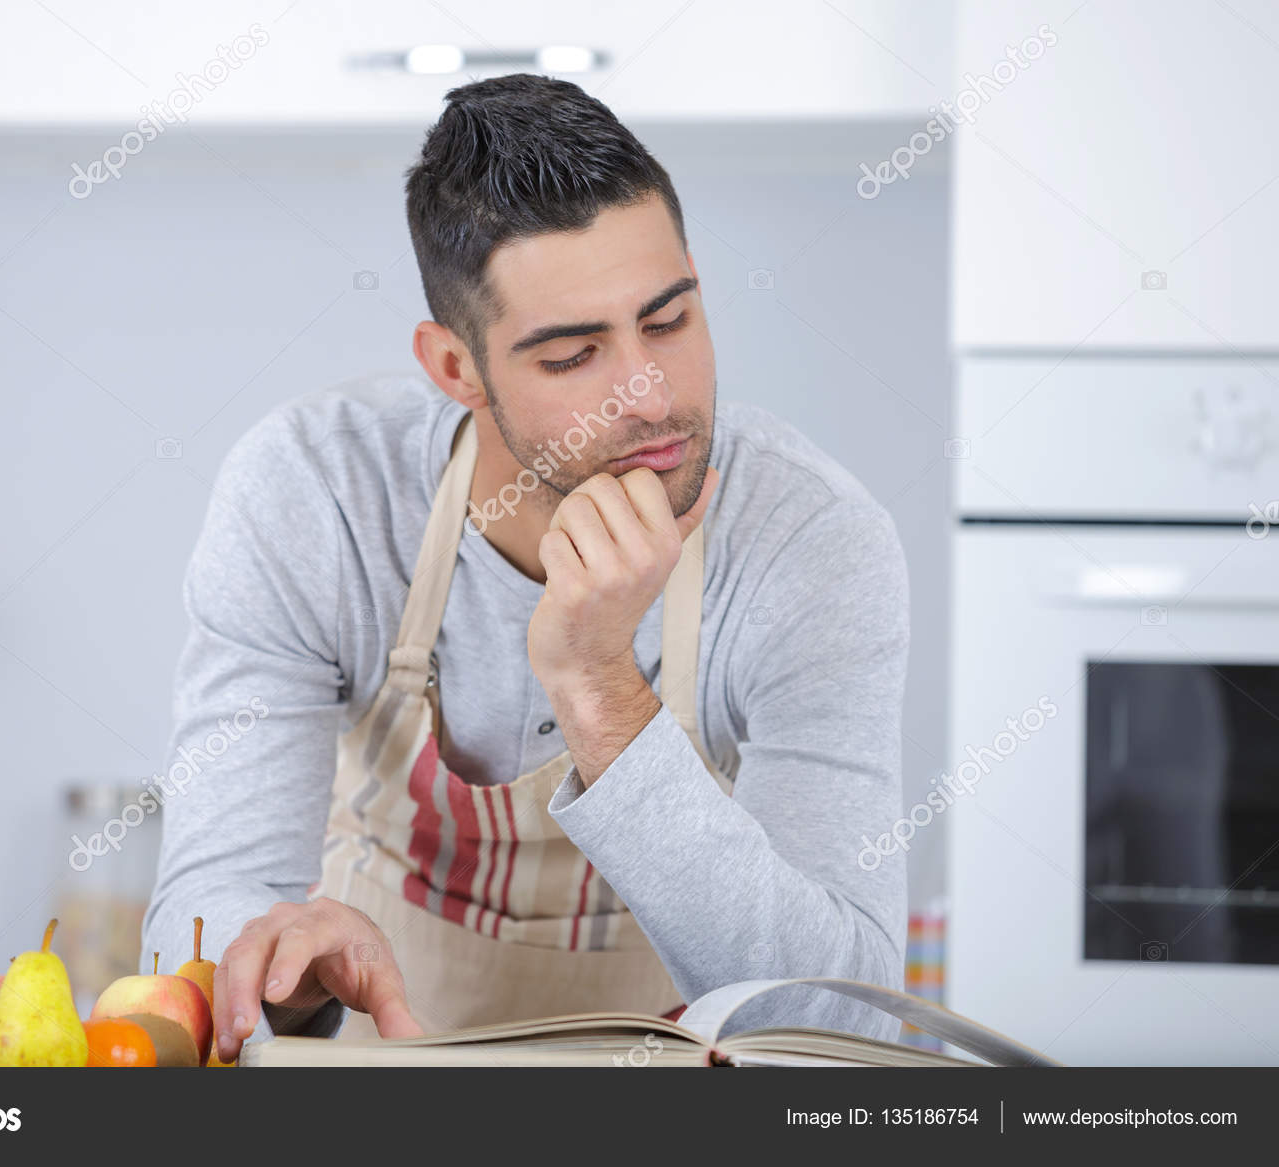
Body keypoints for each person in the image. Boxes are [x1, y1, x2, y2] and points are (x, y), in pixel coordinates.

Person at [141, 74, 910, 1063]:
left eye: (667, 322)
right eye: (572, 355)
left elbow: (840, 1023)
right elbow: (203, 927)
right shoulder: (317, 493)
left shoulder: (810, 541)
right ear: (455, 369)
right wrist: (282, 972)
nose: (648, 396)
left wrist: (598, 685)